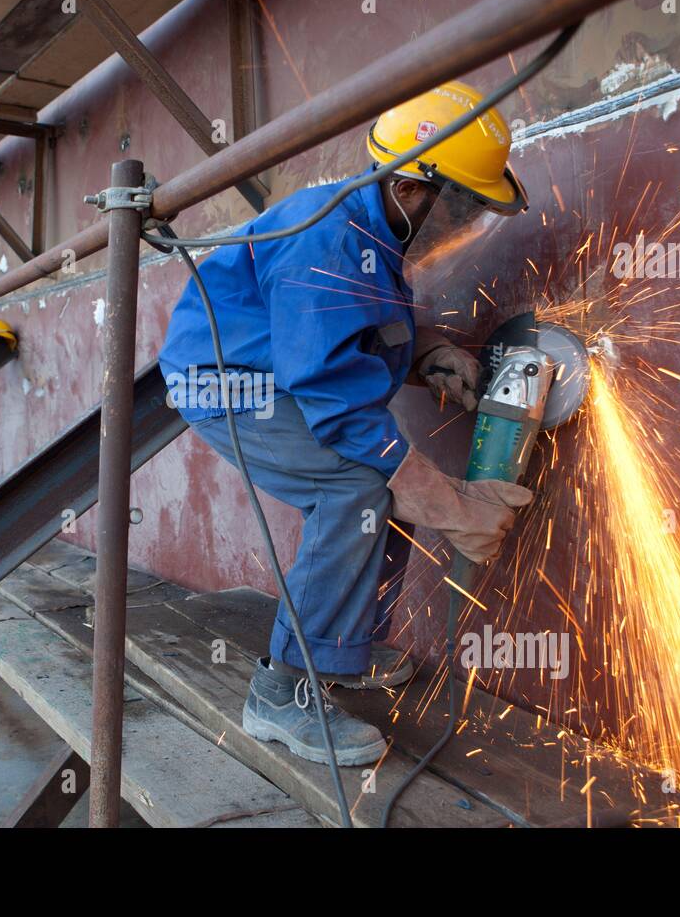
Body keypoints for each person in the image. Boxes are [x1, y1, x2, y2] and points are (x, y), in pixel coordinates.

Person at [157, 82, 535, 765]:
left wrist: (431, 352)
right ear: (418, 189)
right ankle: (282, 691)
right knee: (356, 485)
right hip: (231, 381)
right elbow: (338, 406)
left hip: (281, 368)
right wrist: (457, 509)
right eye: (468, 207)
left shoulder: (376, 230)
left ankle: (342, 650)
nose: (469, 225)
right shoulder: (330, 242)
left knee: (383, 481)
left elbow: (361, 325)